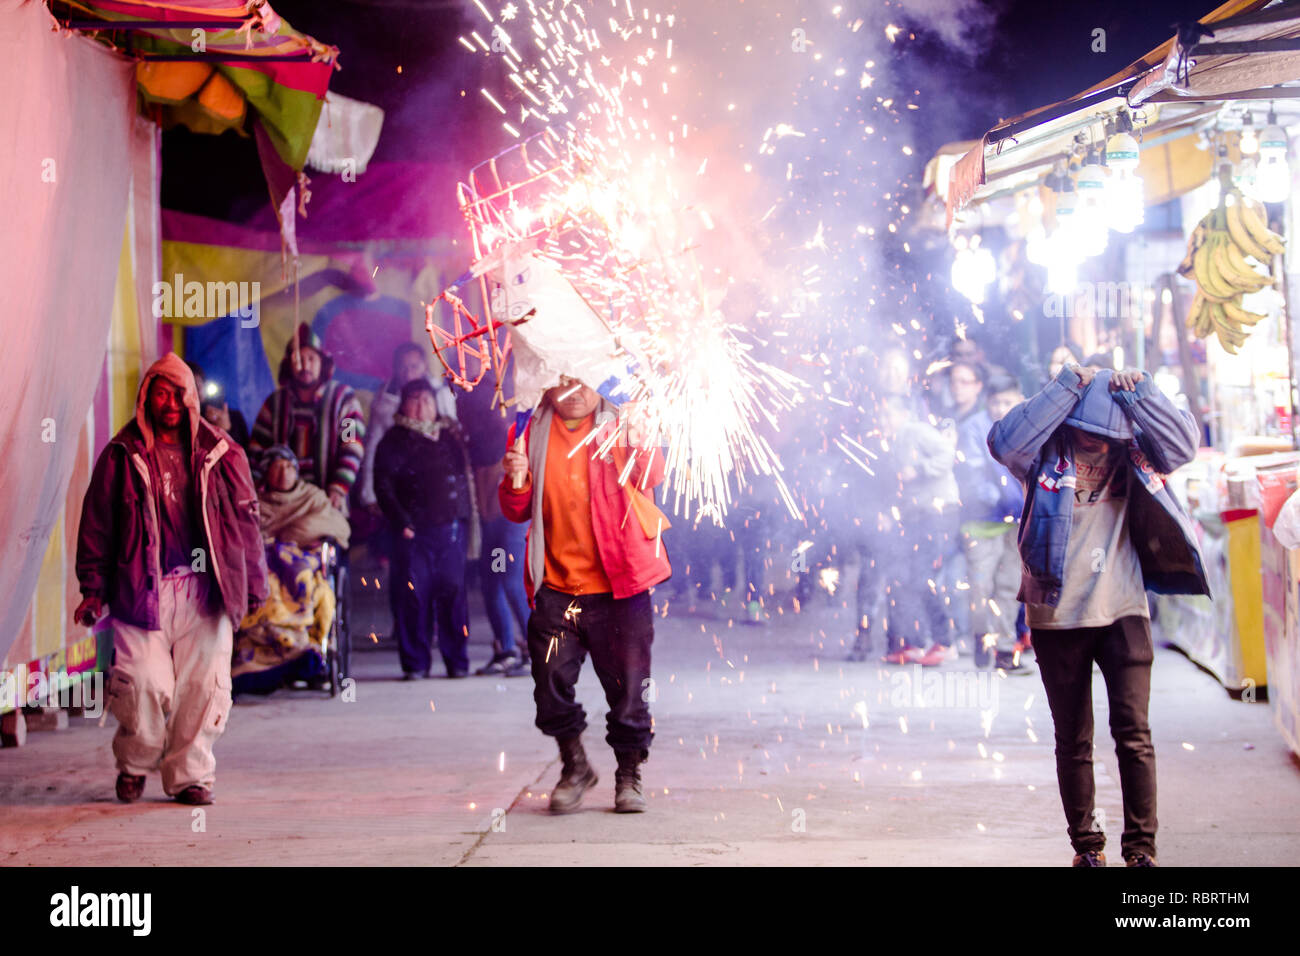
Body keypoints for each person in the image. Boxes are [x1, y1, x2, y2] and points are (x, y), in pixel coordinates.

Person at [989, 363, 1210, 867]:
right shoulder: (1042, 455)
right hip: (1055, 615)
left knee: (1134, 734)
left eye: (1108, 436)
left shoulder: (1133, 452)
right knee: (1074, 740)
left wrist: (1144, 394)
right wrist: (1066, 386)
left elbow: (1182, 447)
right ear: (1072, 425)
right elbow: (1002, 441)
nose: (1100, 445)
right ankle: (1087, 849)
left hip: (1123, 609)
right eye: (1091, 435)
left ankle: (1142, 852)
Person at [74, 353, 267, 806]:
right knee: (141, 680)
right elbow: (97, 525)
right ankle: (136, 762)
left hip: (207, 587)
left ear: (192, 398)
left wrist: (254, 585)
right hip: (142, 588)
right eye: (160, 393)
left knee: (204, 684)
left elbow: (246, 525)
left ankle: (190, 775)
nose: (171, 403)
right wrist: (92, 589)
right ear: (146, 398)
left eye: (178, 393)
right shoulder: (122, 455)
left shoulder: (223, 453)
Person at [500, 377, 671, 814]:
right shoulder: (529, 427)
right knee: (549, 682)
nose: (573, 389)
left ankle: (629, 774)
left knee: (629, 689)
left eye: (583, 378)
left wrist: (637, 436)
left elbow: (651, 475)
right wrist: (516, 480)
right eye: (561, 378)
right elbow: (516, 509)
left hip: (621, 584)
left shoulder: (621, 418)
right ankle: (575, 765)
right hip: (557, 586)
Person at [374, 378, 480, 679]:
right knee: (413, 596)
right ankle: (416, 663)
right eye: (416, 400)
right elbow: (383, 486)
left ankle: (457, 661)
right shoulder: (393, 440)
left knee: (453, 594)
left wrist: (464, 520)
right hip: (413, 534)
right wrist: (401, 521)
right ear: (404, 404)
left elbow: (462, 481)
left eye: (428, 400)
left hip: (451, 532)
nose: (423, 407)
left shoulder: (450, 436)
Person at [233, 446, 351, 694]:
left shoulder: (312, 497)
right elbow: (244, 532)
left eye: (288, 467)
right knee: (261, 584)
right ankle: (268, 653)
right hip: (265, 563)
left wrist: (291, 536)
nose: (283, 473)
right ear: (266, 472)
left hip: (302, 561)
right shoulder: (254, 500)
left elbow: (338, 526)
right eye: (276, 467)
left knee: (308, 584)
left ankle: (304, 646)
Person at [249, 323, 365, 513]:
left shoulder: (344, 400)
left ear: (323, 362)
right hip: (282, 506)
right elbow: (257, 451)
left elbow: (351, 446)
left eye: (311, 358)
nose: (305, 365)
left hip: (329, 502)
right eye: (299, 359)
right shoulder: (275, 403)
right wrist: (257, 492)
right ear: (289, 364)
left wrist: (339, 487)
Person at [880, 396, 960, 666]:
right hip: (916, 516)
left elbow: (947, 453)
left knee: (923, 576)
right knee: (906, 577)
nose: (882, 422)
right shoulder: (893, 442)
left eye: (887, 415)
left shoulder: (916, 431)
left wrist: (920, 469)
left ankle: (945, 642)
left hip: (938, 514)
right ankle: (914, 642)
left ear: (903, 414)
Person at [956, 374, 1028, 671]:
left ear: (1020, 399)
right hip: (983, 522)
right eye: (996, 402)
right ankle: (981, 636)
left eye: (1008, 402)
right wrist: (999, 498)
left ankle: (1003, 649)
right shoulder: (973, 428)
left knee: (1010, 586)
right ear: (987, 401)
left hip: (1017, 522)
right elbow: (970, 475)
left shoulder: (1025, 426)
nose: (1001, 407)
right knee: (981, 587)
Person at [358, 342, 458, 516]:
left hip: (438, 487)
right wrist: (369, 494)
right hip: (400, 484)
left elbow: (454, 438)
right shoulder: (384, 402)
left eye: (414, 366)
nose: (409, 373)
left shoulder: (441, 395)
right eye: (403, 368)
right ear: (395, 369)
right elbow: (373, 447)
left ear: (424, 365)